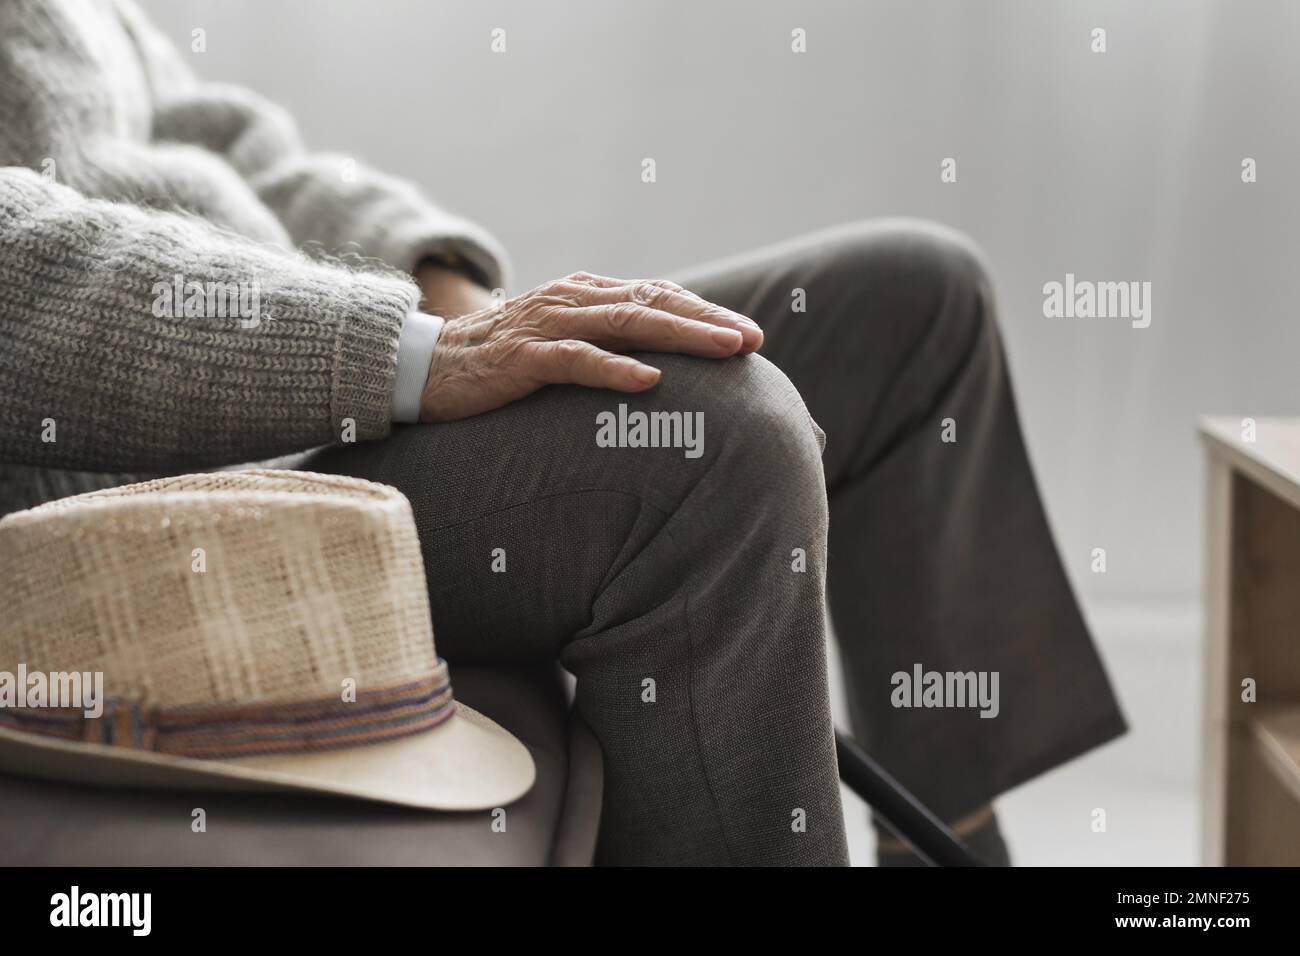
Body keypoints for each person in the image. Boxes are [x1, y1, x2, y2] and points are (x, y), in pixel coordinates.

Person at [0, 0, 1125, 866]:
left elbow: (223, 144)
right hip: (136, 510)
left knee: (911, 301)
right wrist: (398, 354)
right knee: (705, 438)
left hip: (303, 406)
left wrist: (451, 296)